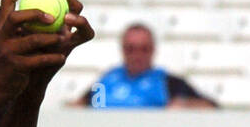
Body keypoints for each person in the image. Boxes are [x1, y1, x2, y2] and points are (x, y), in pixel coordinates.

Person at [73, 23, 217, 108]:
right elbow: (81, 107)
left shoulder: (168, 83)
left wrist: (184, 105)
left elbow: (211, 107)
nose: (137, 55)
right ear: (123, 50)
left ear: (153, 50)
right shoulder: (107, 82)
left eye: (144, 49)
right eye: (131, 49)